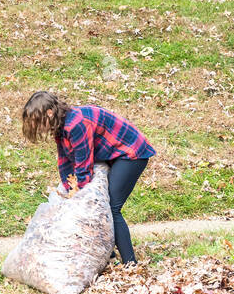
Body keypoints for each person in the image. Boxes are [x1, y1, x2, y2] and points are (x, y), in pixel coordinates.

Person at [20, 90, 155, 266]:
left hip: (131, 152)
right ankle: (106, 255)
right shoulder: (60, 127)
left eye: (37, 121)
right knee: (98, 207)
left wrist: (79, 197)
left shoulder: (75, 124)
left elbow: (83, 166)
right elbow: (66, 162)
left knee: (110, 208)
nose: (37, 126)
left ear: (49, 113)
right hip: (112, 154)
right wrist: (69, 191)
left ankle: (130, 263)